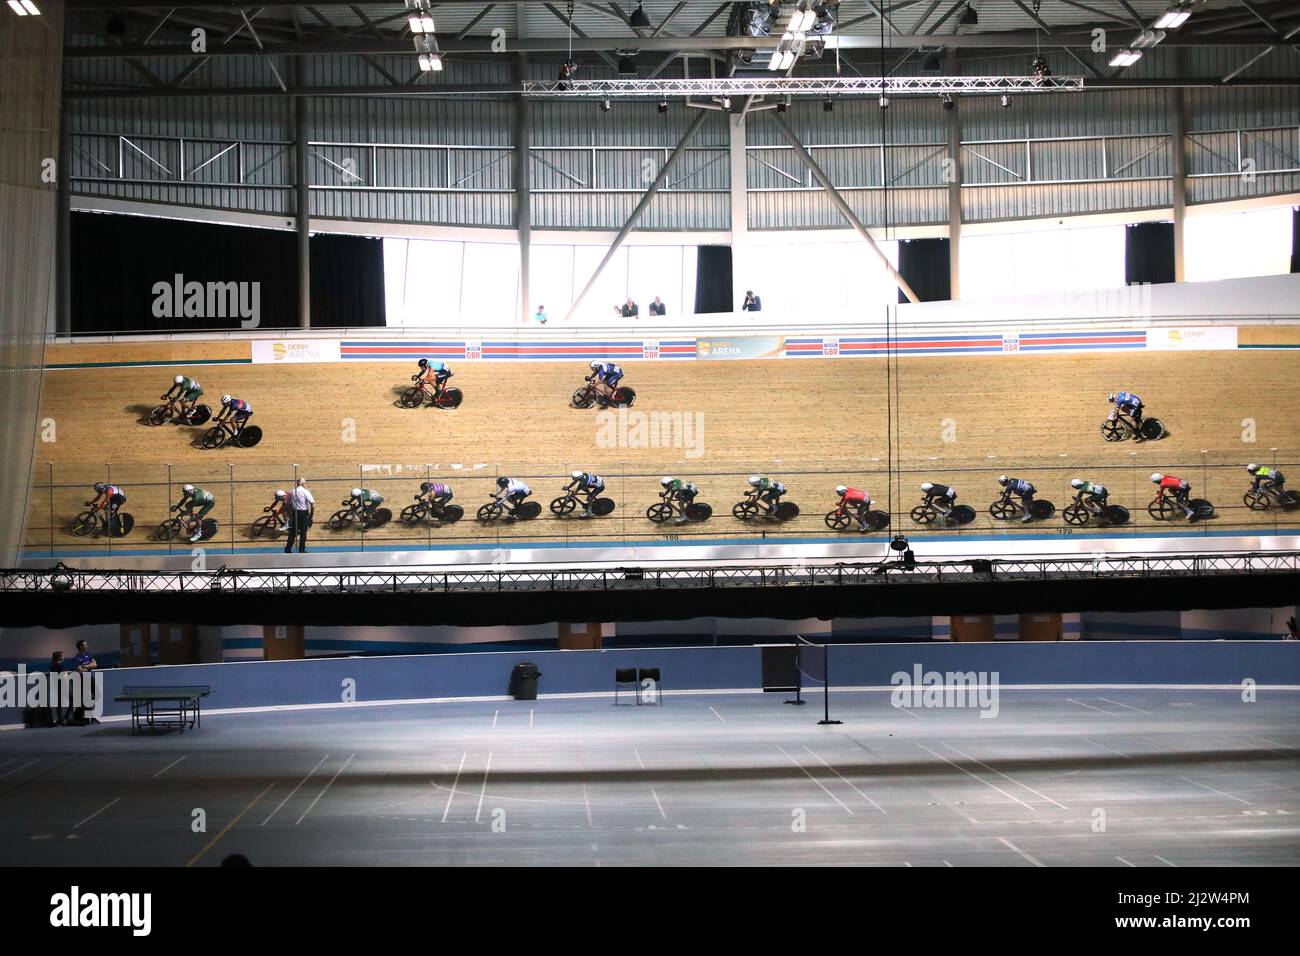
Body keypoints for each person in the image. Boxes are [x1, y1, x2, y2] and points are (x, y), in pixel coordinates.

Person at [284, 478, 315, 554]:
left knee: (293, 532)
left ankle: (288, 548)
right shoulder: (305, 491)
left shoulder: (292, 491)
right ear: (303, 483)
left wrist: (291, 512)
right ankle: (301, 549)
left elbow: (286, 503)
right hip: (303, 513)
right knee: (303, 532)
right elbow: (312, 504)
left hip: (295, 513)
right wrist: (311, 513)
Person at [72, 640, 98, 725]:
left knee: (96, 695)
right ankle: (89, 718)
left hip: (89, 678)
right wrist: (89, 667)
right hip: (82, 679)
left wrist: (86, 666)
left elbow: (95, 664)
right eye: (85, 645)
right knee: (86, 699)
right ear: (81, 647)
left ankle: (89, 717)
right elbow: (80, 670)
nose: (87, 646)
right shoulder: (77, 658)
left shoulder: (88, 654)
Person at [48, 651, 73, 727]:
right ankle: (65, 717)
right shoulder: (61, 667)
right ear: (59, 657)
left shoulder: (52, 667)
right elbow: (65, 678)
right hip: (63, 687)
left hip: (56, 687)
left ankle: (60, 719)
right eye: (62, 656)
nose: (63, 657)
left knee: (59, 704)